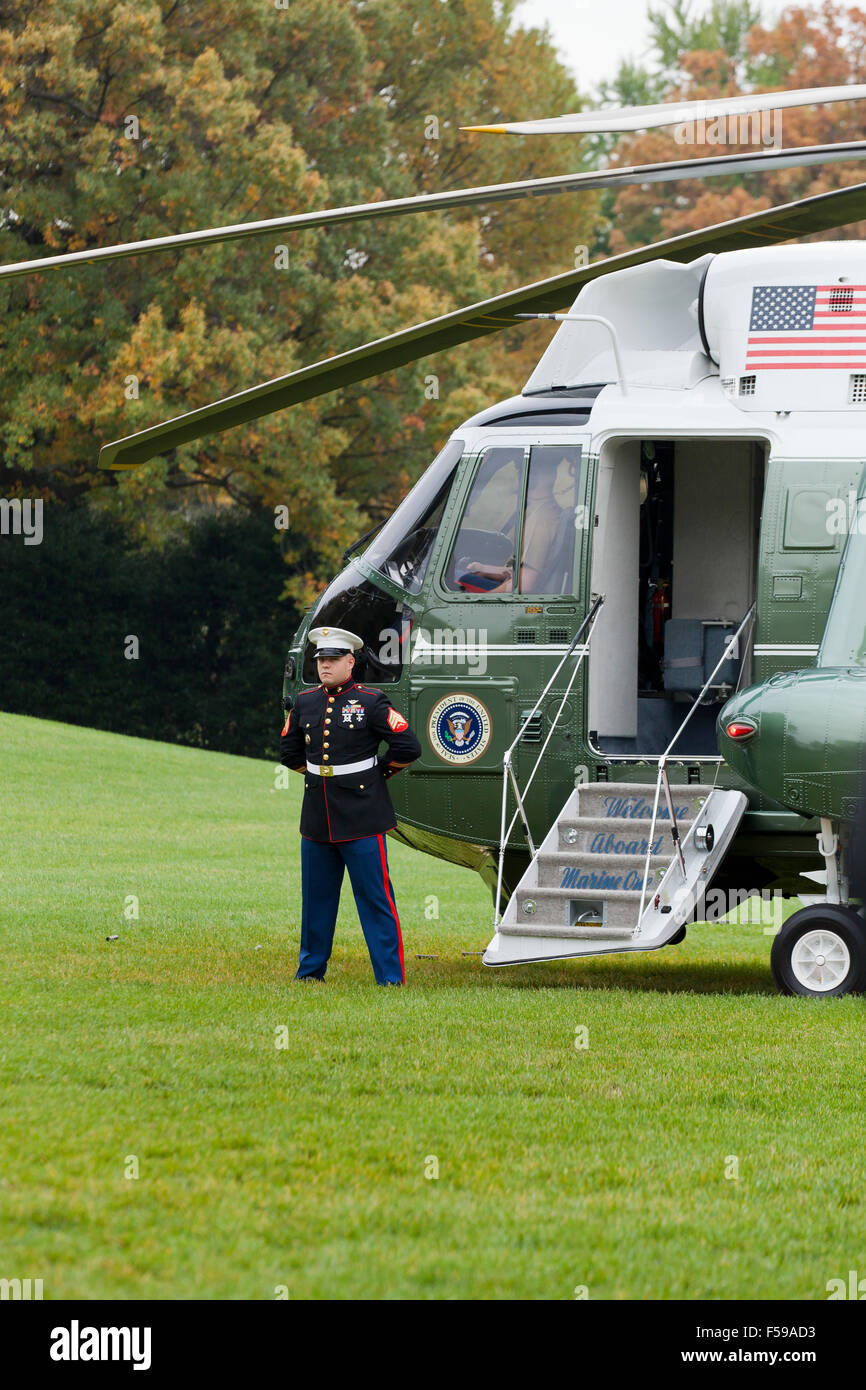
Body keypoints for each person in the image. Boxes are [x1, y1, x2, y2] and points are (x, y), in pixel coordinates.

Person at [279, 626, 422, 985]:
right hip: (316, 817)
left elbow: (408, 747)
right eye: (320, 660)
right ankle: (310, 973)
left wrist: (376, 776)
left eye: (331, 659)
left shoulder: (372, 702)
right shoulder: (306, 702)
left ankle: (390, 978)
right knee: (316, 901)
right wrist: (321, 778)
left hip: (362, 817)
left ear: (350, 662)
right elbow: (289, 753)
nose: (324, 666)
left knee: (375, 900)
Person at [458, 465, 563, 593]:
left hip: (519, 597)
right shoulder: (550, 511)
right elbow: (518, 573)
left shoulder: (540, 520)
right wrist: (484, 569)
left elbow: (525, 583)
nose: (518, 477)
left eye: (521, 471)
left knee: (459, 579)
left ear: (533, 479)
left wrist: (482, 600)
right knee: (469, 576)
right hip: (511, 583)